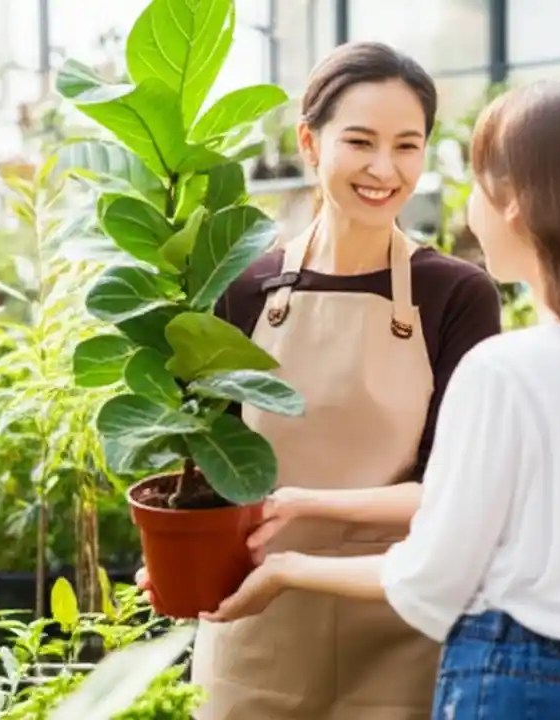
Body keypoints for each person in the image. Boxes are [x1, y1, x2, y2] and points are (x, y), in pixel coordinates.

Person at [200, 77, 560, 718]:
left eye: (477, 182)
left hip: (513, 687)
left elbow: (430, 581)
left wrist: (285, 570)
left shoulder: (504, 369)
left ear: (517, 204)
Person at [137, 42, 502, 719]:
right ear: (309, 142)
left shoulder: (456, 294)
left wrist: (305, 503)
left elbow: (458, 490)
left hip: (398, 618)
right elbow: (207, 460)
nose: (383, 169)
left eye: (407, 145)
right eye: (359, 141)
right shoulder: (240, 289)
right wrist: (176, 550)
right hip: (253, 613)